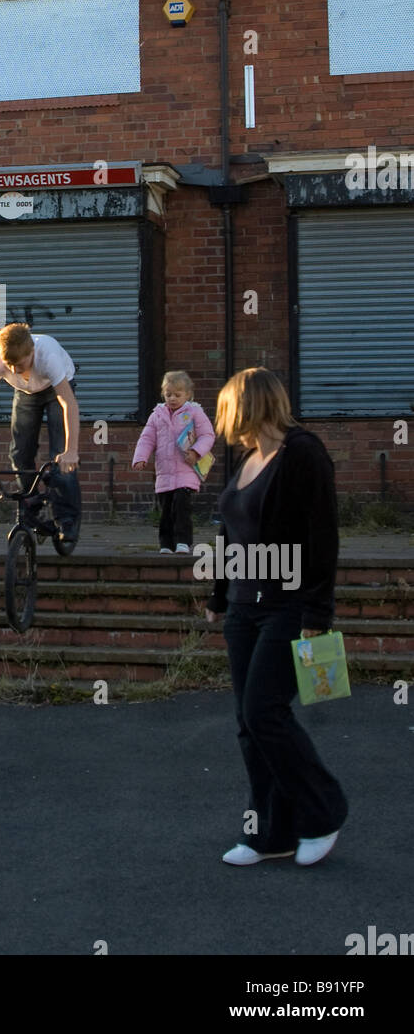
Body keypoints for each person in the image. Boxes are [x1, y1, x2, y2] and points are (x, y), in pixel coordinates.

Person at [205, 366, 348, 868]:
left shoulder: (302, 453)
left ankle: (324, 812)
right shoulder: (247, 458)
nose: (223, 421)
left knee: (266, 712)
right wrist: (219, 594)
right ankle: (273, 834)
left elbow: (323, 536)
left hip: (288, 608)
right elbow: (231, 534)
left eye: (226, 409)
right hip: (244, 609)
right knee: (249, 722)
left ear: (247, 405)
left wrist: (318, 613)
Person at [0, 322, 80, 542]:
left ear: (31, 352)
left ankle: (67, 519)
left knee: (60, 457)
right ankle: (31, 504)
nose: (13, 370)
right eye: (9, 364)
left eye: (19, 364)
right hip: (24, 393)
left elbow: (68, 404)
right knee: (19, 453)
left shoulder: (48, 357)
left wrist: (71, 450)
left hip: (55, 391)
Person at [131, 370, 215, 554]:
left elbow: (207, 435)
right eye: (168, 394)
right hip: (164, 472)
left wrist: (196, 451)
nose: (173, 399)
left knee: (181, 506)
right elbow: (147, 438)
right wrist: (140, 457)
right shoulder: (157, 415)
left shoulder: (194, 412)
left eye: (178, 395)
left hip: (186, 471)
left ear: (188, 394)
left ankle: (183, 541)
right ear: (163, 394)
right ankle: (166, 543)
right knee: (166, 509)